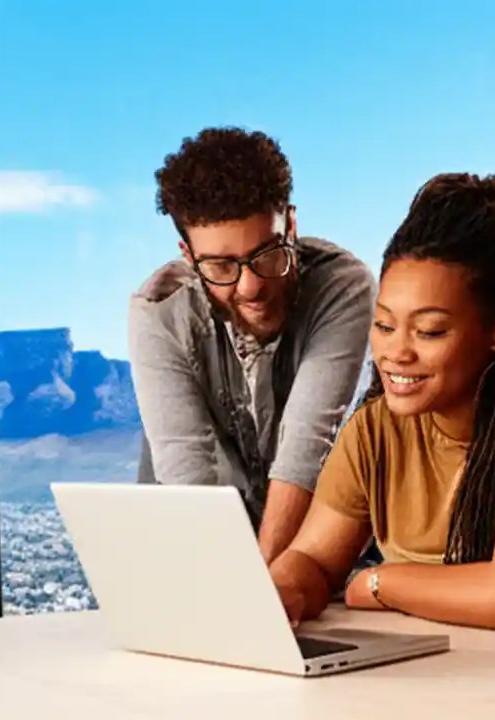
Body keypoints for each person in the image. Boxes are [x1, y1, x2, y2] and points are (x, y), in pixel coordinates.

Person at [268, 172, 495, 633]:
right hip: (422, 675)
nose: (396, 353)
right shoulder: (375, 427)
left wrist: (377, 583)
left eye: (429, 331)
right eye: (385, 326)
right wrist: (284, 588)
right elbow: (311, 558)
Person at [128, 126, 375, 564]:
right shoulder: (157, 310)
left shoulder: (344, 288)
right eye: (221, 265)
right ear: (188, 256)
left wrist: (258, 594)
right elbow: (188, 474)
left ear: (291, 225)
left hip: (315, 550)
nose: (252, 286)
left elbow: (306, 446)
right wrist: (234, 598)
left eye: (266, 254)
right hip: (200, 549)